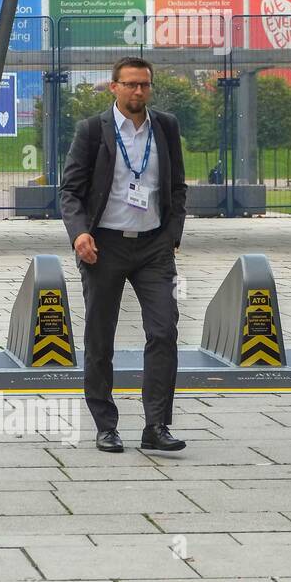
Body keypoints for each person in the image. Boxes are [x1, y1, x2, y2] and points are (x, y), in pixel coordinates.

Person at [59, 56, 188, 454]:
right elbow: (70, 192)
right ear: (113, 86)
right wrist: (80, 234)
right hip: (105, 245)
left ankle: (156, 425)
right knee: (101, 337)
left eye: (144, 85)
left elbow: (178, 187)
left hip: (153, 247)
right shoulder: (91, 132)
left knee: (164, 331)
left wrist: (171, 235)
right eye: (130, 84)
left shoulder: (165, 127)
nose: (138, 92)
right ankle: (105, 425)